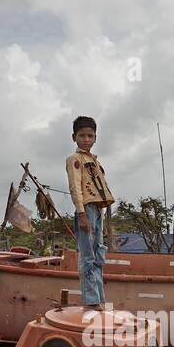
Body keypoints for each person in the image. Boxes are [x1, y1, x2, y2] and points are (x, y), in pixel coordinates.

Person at [65, 116, 115, 309]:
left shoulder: (94, 161)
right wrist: (81, 213)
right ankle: (91, 301)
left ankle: (99, 298)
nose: (86, 139)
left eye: (90, 136)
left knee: (98, 254)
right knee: (87, 255)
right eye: (82, 135)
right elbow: (75, 187)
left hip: (97, 209)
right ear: (74, 137)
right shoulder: (74, 160)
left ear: (95, 138)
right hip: (85, 208)